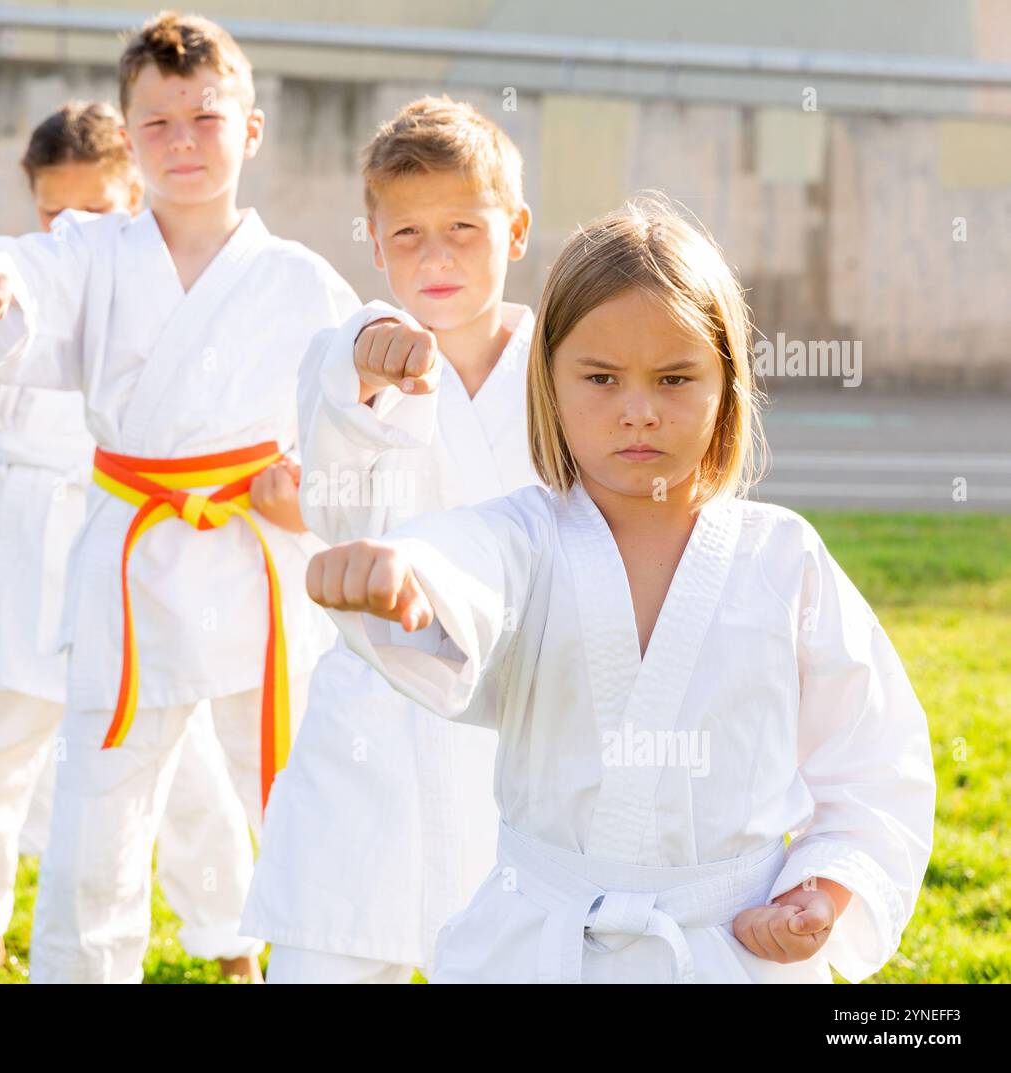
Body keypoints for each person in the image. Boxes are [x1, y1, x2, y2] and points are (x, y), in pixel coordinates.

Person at [305, 195, 936, 983]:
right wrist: (406, 577)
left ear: (728, 383)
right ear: (550, 382)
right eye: (600, 378)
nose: (638, 412)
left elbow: (873, 755)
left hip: (723, 946)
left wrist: (825, 886)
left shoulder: (783, 559)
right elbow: (463, 560)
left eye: (675, 378)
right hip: (541, 945)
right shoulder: (523, 538)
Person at [0, 11, 359, 983]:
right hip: (133, 564)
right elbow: (29, 276)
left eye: (204, 119)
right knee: (96, 820)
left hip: (252, 562)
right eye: (156, 125)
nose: (181, 144)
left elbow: (359, 408)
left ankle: (322, 962)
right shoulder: (88, 249)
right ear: (128, 138)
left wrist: (331, 462)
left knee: (292, 796)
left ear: (250, 129)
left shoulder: (300, 280)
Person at [0, 100, 261, 980]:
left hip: (128, 564)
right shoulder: (22, 279)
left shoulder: (185, 295)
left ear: (137, 194)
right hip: (15, 558)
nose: (72, 231)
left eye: (98, 212)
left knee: (183, 783)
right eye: (52, 214)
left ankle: (231, 936)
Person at [244, 97, 535, 983]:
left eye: (462, 226)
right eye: (405, 233)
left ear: (516, 229)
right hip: (373, 714)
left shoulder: (563, 371)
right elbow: (333, 503)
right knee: (328, 946)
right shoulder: (348, 353)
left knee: (510, 948)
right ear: (371, 243)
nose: (435, 254)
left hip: (518, 714)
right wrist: (367, 374)